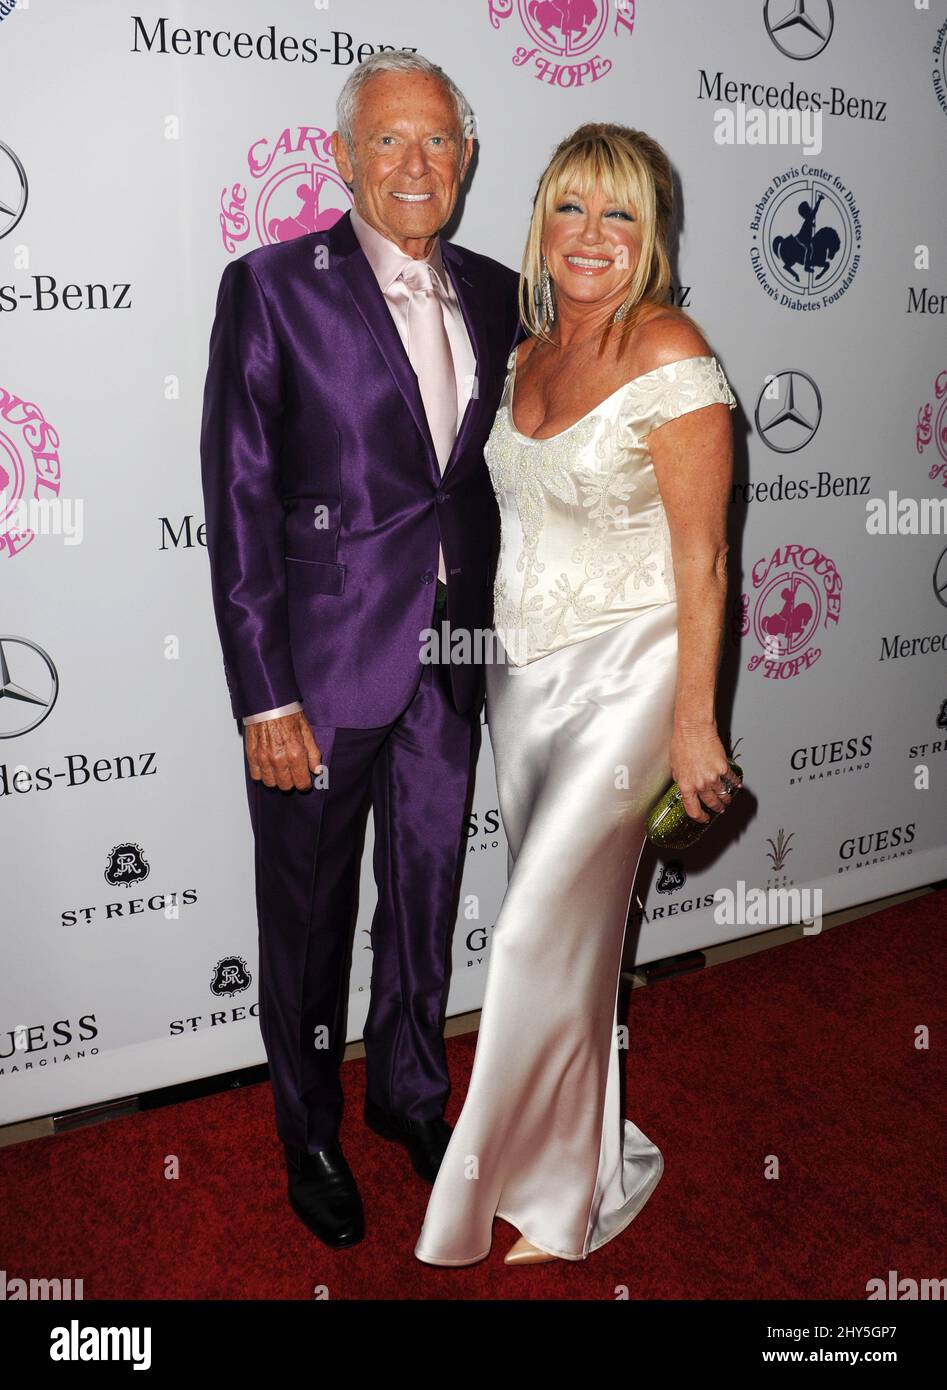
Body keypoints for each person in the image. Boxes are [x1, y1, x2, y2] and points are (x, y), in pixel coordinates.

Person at [199, 52, 520, 1249]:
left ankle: (407, 1093)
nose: (414, 163)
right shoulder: (274, 287)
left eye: (436, 141)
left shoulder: (495, 292)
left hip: (450, 657)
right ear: (342, 158)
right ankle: (309, 1130)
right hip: (319, 678)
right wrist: (261, 693)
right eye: (388, 141)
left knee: (427, 896)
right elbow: (238, 498)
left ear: (466, 158)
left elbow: (489, 483)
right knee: (309, 913)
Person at [415, 123, 741, 1267]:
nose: (590, 237)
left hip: (632, 677)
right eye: (570, 210)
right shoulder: (526, 352)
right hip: (526, 680)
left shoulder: (669, 352)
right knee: (572, 945)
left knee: (526, 942)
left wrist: (693, 721)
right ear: (540, 221)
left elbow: (701, 560)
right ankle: (586, 1152)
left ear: (648, 235)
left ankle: (557, 1197)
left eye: (618, 215)